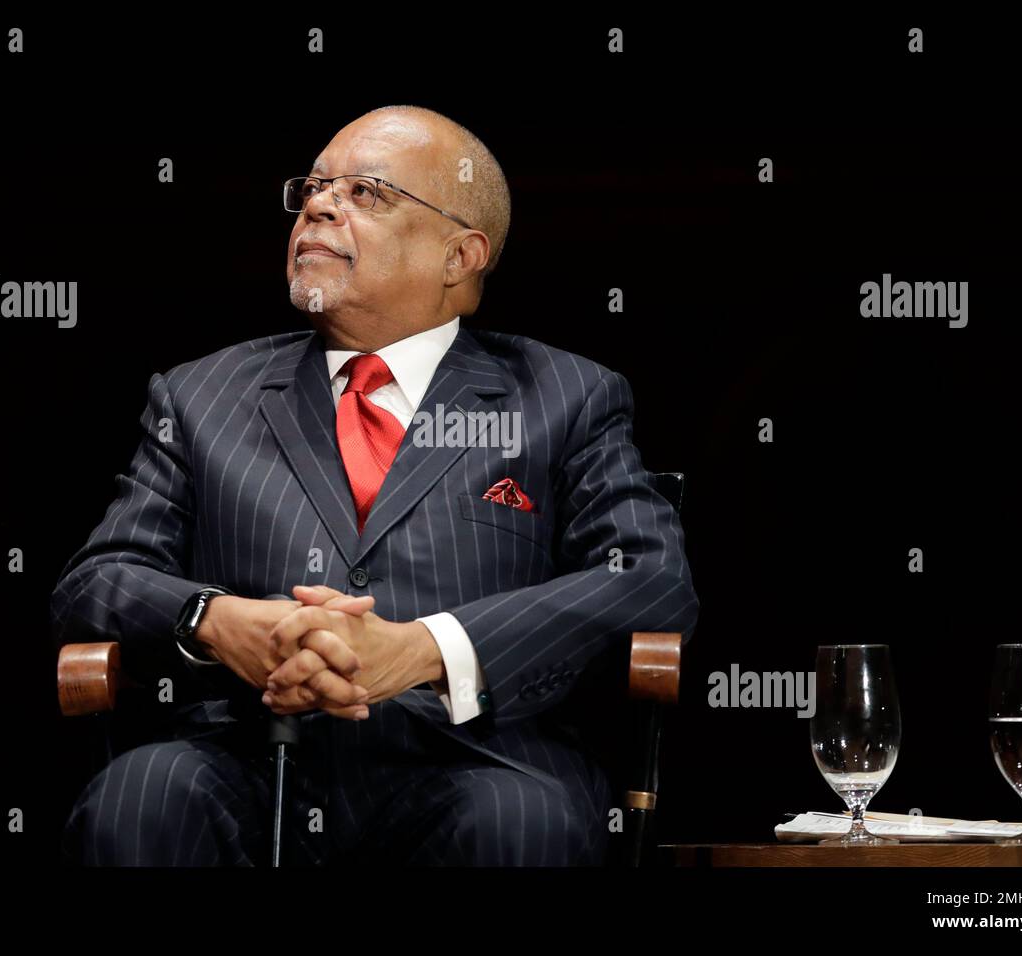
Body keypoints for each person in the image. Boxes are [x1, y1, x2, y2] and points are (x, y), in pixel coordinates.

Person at [52, 105, 699, 865]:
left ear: (460, 255)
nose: (320, 205)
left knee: (521, 826)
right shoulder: (200, 394)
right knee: (139, 801)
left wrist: (423, 648)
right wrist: (219, 619)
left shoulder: (565, 395)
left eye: (367, 194)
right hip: (246, 755)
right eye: (316, 188)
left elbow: (654, 581)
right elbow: (95, 581)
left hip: (478, 761)